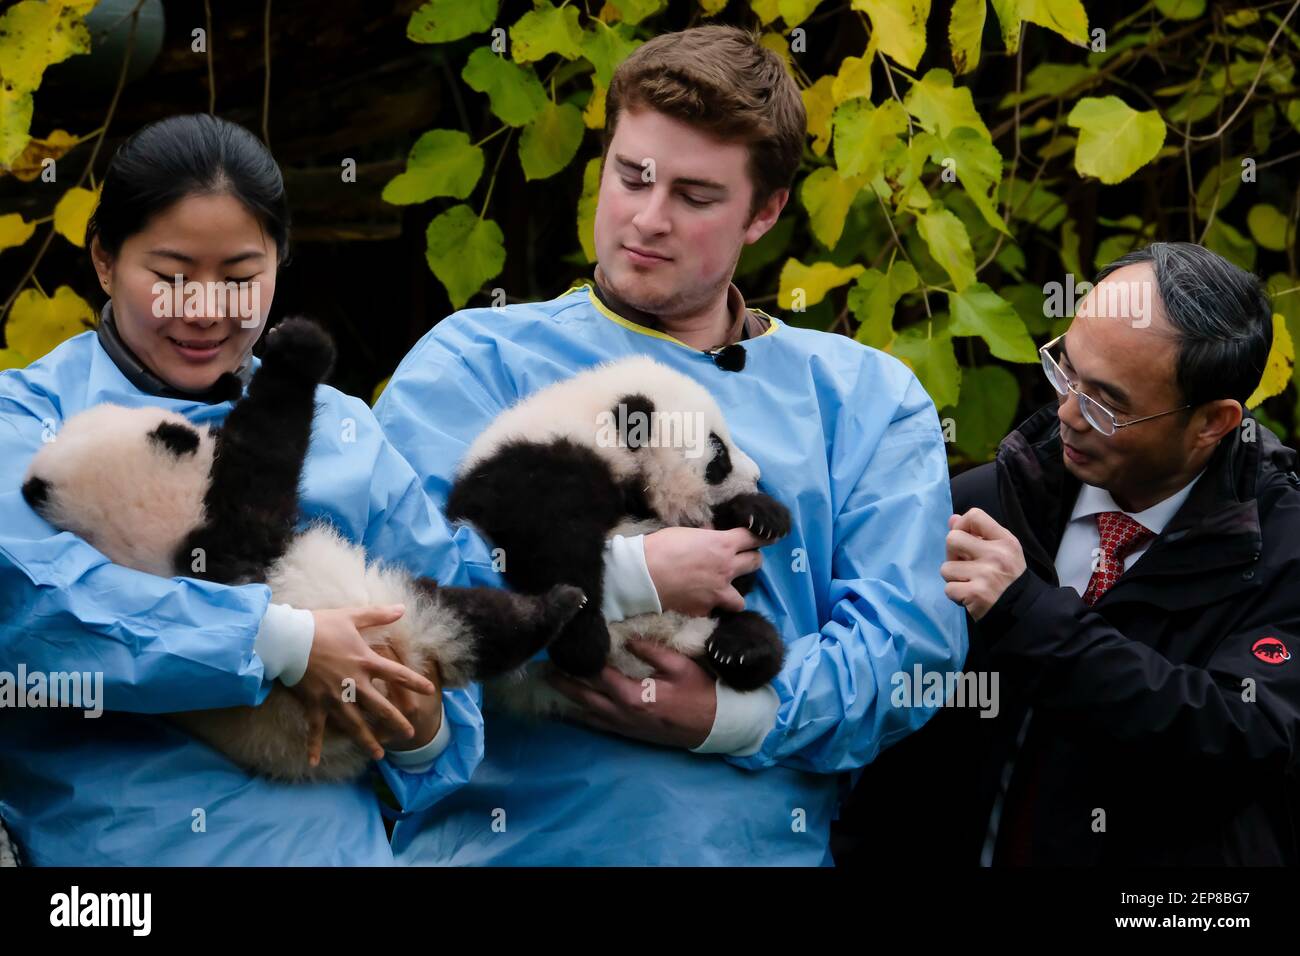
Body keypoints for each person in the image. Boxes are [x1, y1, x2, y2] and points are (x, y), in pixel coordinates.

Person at [373, 25, 966, 866]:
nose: (647, 219)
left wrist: (737, 717)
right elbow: (396, 596)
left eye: (694, 195)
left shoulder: (865, 401)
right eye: (632, 175)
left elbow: (912, 647)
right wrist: (625, 580)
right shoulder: (476, 363)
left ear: (764, 212)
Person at [0, 114, 492, 865]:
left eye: (239, 278)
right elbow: (31, 607)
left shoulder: (342, 433)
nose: (204, 311)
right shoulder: (29, 422)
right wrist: (281, 643)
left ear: (280, 265)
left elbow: (449, 651)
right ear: (103, 260)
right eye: (169, 277)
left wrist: (422, 728)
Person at [845, 242, 1300, 866]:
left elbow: (1239, 737)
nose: (1065, 412)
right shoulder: (982, 505)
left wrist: (1028, 616)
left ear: (1213, 422)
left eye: (1107, 403)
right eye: (1065, 367)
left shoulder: (1280, 549)